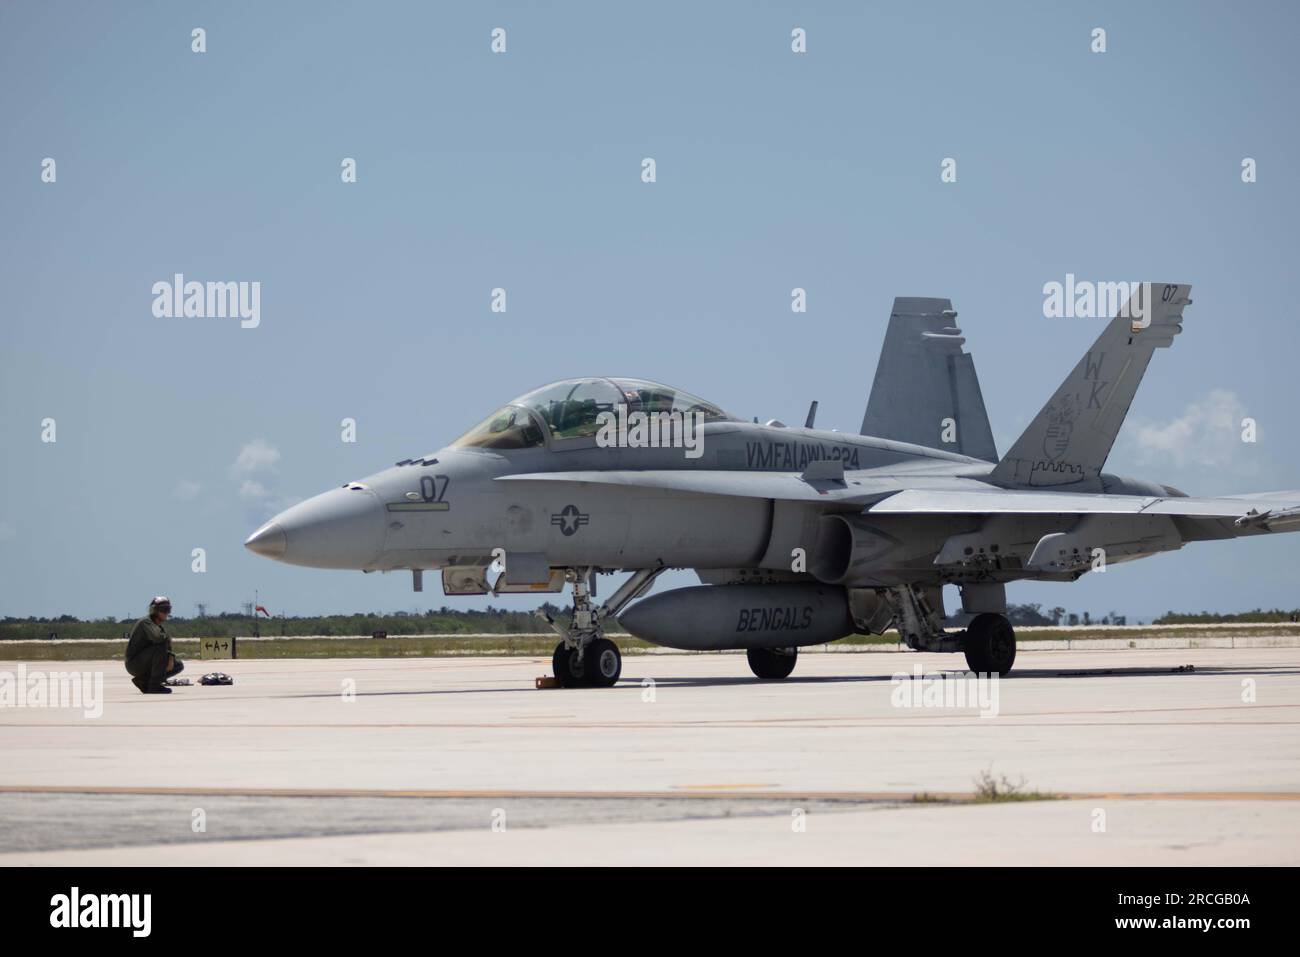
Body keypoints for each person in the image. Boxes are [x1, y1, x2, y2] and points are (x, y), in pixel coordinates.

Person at [125, 596, 184, 694]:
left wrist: (170, 657)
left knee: (178, 665)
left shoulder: (158, 626)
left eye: (168, 609)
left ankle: (143, 681)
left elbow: (165, 643)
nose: (167, 612)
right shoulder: (145, 622)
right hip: (134, 663)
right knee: (159, 647)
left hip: (145, 661)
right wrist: (167, 638)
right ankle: (154, 686)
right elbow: (158, 638)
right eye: (163, 609)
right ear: (154, 610)